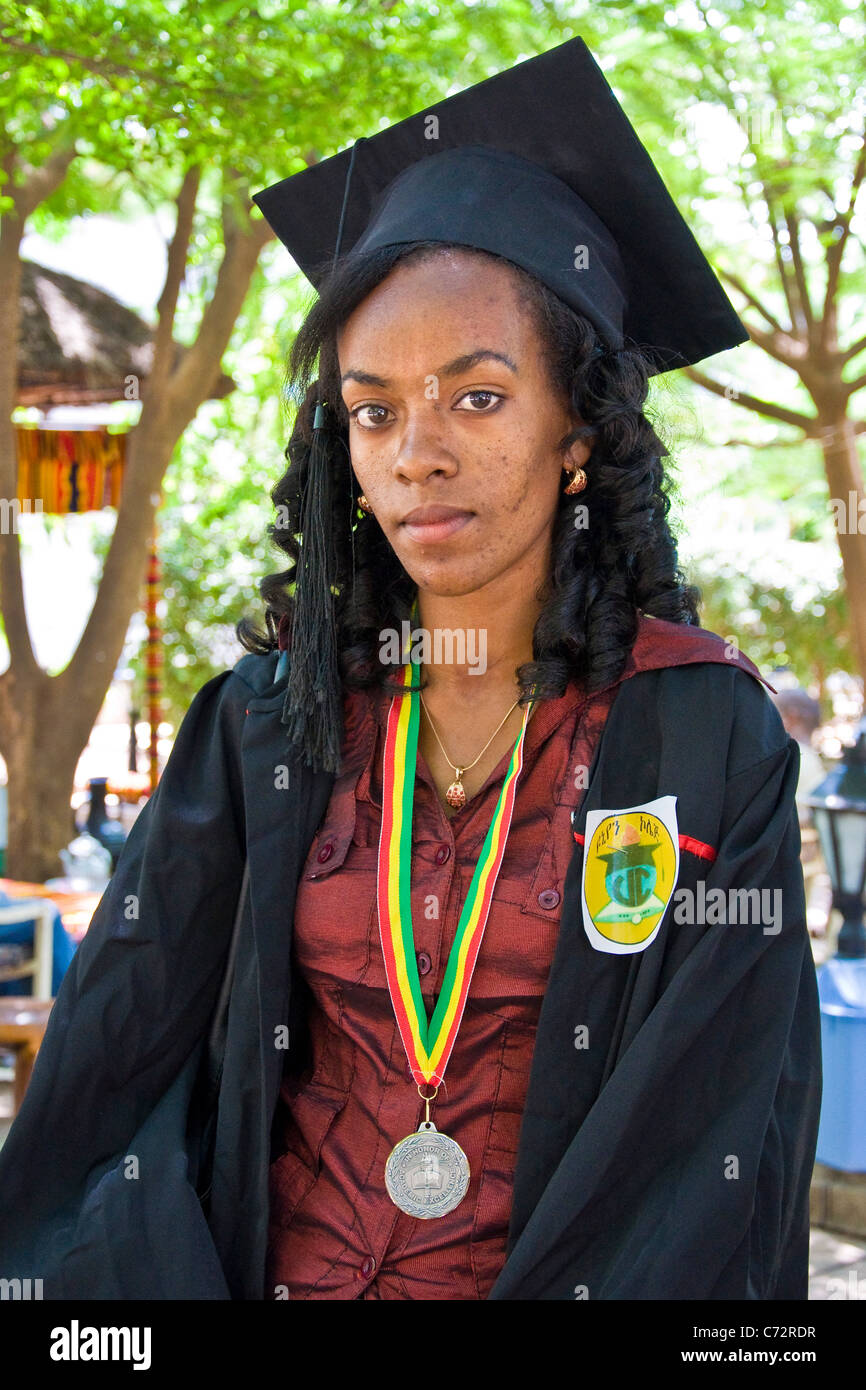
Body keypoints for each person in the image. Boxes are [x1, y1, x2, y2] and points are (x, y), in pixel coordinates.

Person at [0, 36, 821, 1301]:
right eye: (374, 410)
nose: (415, 454)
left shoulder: (700, 740)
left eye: (477, 399)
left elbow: (706, 1146)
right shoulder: (268, 726)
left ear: (577, 433)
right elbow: (122, 1070)